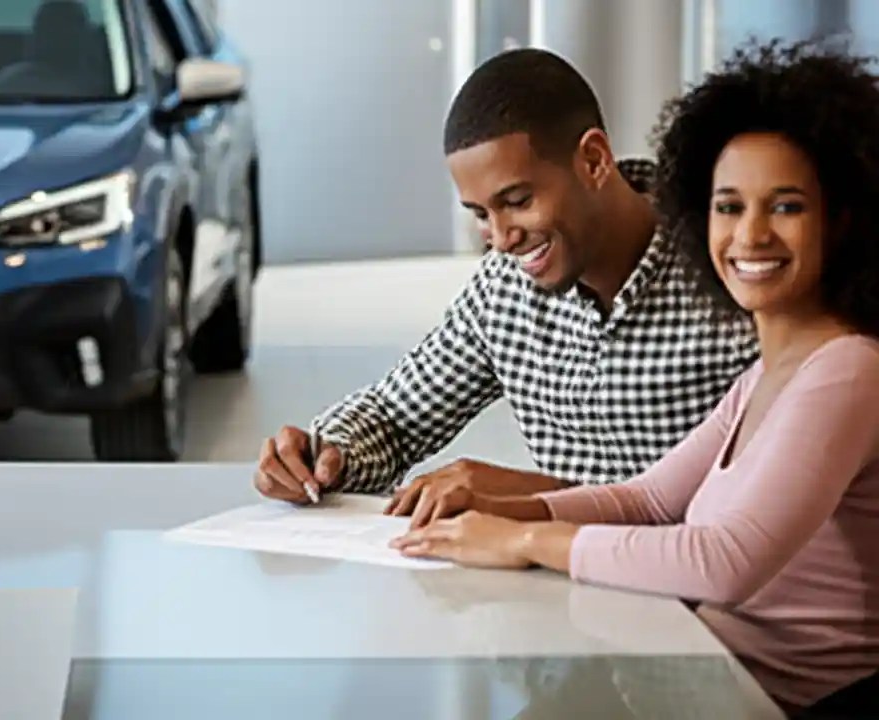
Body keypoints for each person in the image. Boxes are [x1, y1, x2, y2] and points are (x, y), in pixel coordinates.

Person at [391, 39, 879, 716]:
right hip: (695, 676)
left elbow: (724, 562)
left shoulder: (850, 371)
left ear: (844, 218)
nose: (750, 235)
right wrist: (500, 513)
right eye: (729, 206)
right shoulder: (770, 376)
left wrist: (526, 540)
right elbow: (648, 501)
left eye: (787, 206)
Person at [253, 48, 759, 526]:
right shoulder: (505, 288)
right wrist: (325, 456)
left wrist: (527, 495)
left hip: (696, 609)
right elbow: (395, 416)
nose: (501, 239)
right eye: (480, 214)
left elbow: (755, 510)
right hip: (562, 604)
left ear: (594, 160)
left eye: (516, 200)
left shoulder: (734, 277)